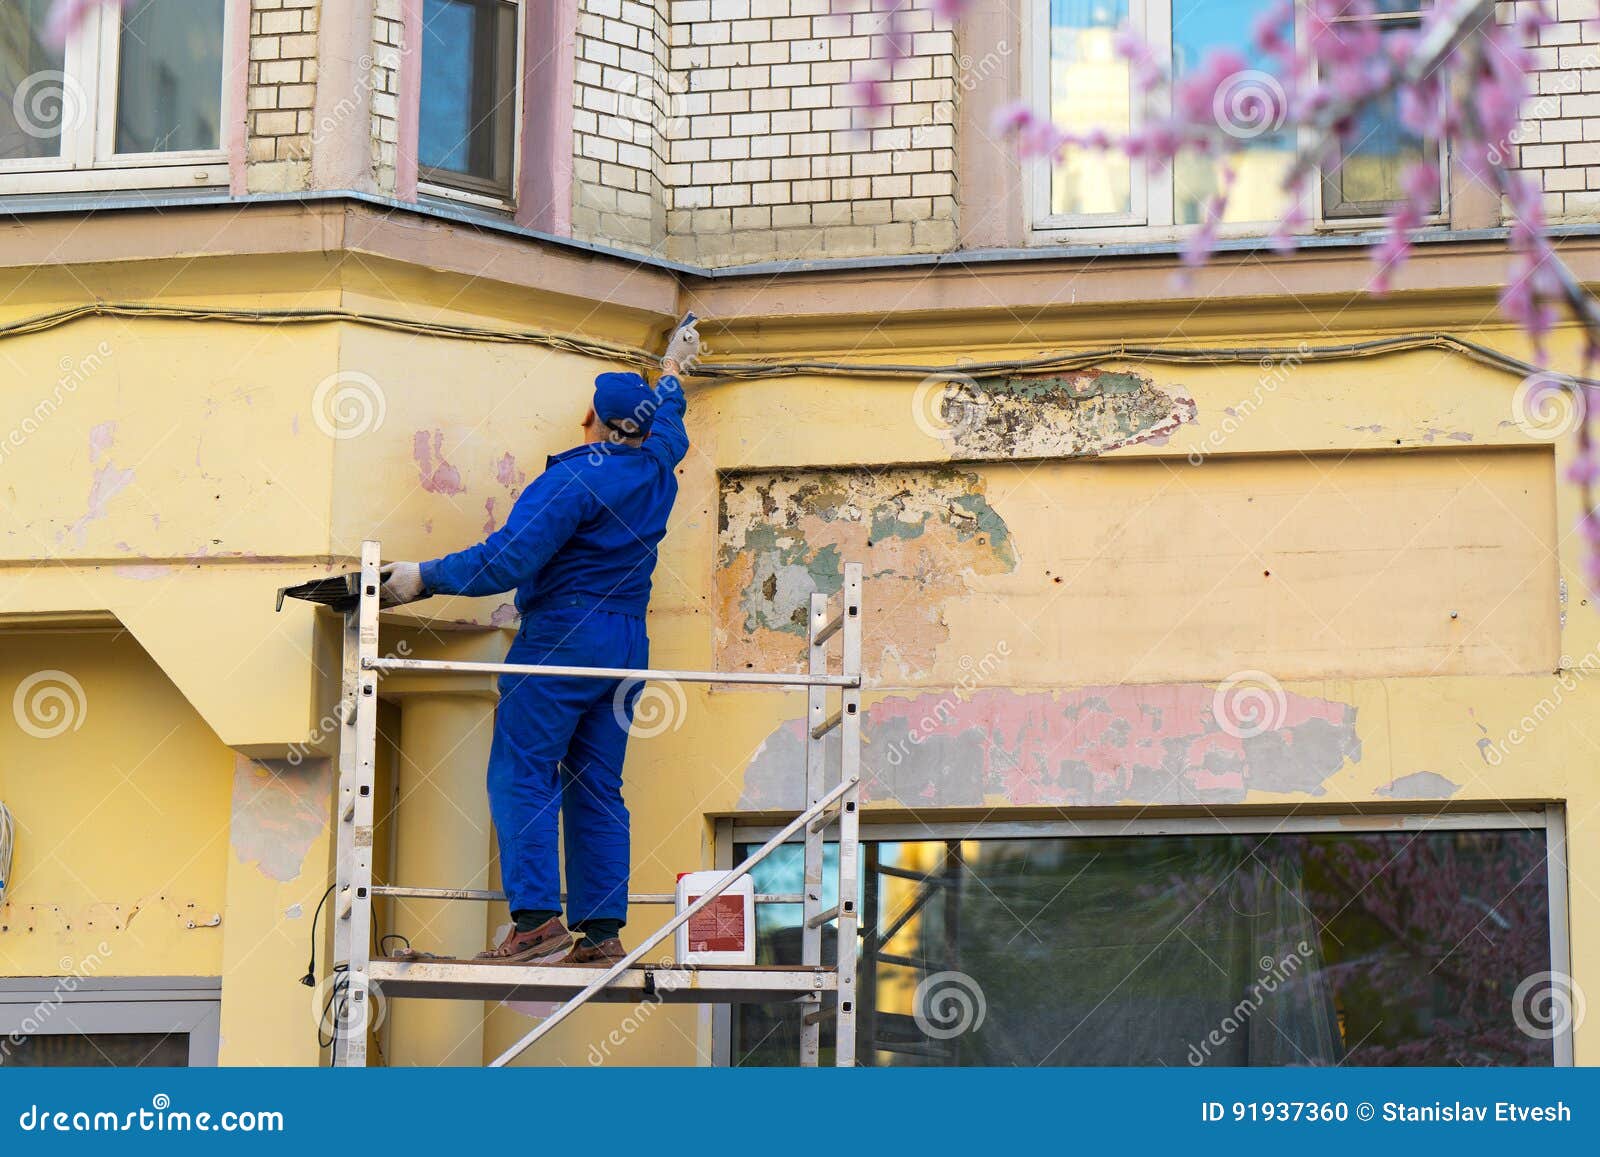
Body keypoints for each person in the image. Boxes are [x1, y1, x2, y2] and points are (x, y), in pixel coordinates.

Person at [379, 321, 702, 964]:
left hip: (562, 637)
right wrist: (671, 374)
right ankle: (601, 935)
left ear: (592, 420)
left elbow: (505, 561)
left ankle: (534, 924)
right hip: (625, 645)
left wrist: (418, 579)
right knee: (596, 784)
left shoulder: (573, 481)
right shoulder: (658, 467)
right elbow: (671, 424)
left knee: (523, 772)